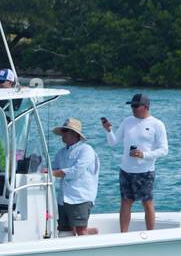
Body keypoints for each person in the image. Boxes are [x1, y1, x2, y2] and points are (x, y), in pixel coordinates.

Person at [101, 93, 169, 233]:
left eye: (135, 106)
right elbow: (113, 142)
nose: (132, 108)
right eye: (131, 105)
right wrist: (108, 131)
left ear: (145, 107)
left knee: (147, 202)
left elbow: (164, 150)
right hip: (126, 170)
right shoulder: (127, 121)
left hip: (145, 171)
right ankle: (123, 234)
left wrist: (144, 155)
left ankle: (151, 235)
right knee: (126, 202)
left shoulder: (157, 124)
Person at [49, 117, 99, 237]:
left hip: (80, 197)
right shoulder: (61, 152)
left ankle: (88, 248)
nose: (62, 134)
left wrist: (53, 173)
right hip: (63, 199)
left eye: (65, 131)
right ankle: (92, 233)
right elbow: (53, 168)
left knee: (80, 230)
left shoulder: (86, 150)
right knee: (64, 230)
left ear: (74, 134)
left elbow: (76, 171)